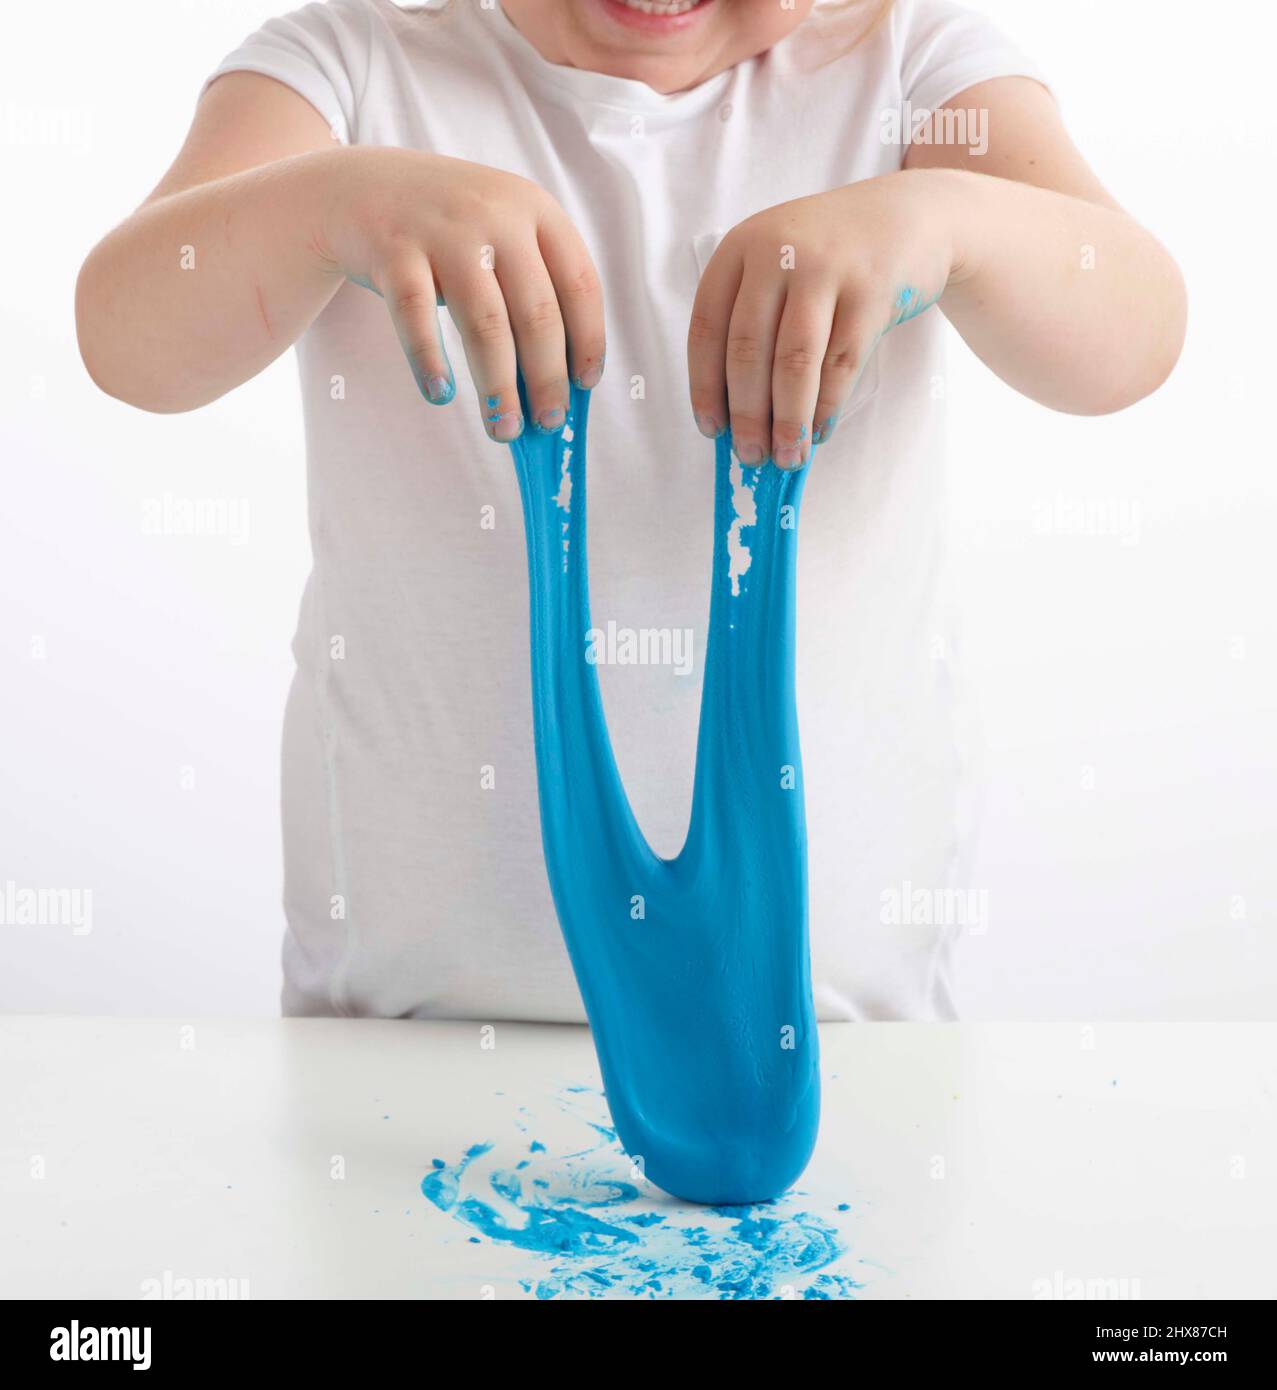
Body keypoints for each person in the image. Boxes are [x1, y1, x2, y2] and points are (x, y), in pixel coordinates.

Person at [75, 0, 1186, 1022]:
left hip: (852, 1046)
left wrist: (948, 219)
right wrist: (332, 202)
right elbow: (127, 337)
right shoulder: (352, 63)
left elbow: (1133, 333)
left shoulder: (910, 65)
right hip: (396, 1043)